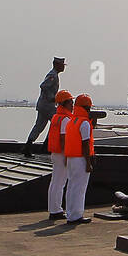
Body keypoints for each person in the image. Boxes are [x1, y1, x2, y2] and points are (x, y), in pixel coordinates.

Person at [63, 94, 96, 224]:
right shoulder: (84, 123)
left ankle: (70, 213)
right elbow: (85, 144)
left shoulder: (71, 121)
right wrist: (88, 162)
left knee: (71, 187)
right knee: (80, 188)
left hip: (71, 158)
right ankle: (76, 215)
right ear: (86, 108)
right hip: (80, 159)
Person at [25, 57, 66, 154]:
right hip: (48, 106)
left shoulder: (54, 75)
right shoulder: (53, 75)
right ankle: (45, 146)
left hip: (45, 105)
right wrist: (52, 97)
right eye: (62, 65)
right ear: (57, 65)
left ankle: (28, 146)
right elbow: (43, 86)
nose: (63, 67)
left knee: (39, 126)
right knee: (57, 123)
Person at [46, 90, 74, 220]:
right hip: (62, 153)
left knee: (55, 182)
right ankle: (56, 210)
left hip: (55, 152)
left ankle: (53, 208)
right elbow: (64, 139)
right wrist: (68, 155)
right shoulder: (66, 119)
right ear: (64, 103)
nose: (72, 104)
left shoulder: (56, 117)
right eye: (70, 102)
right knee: (60, 182)